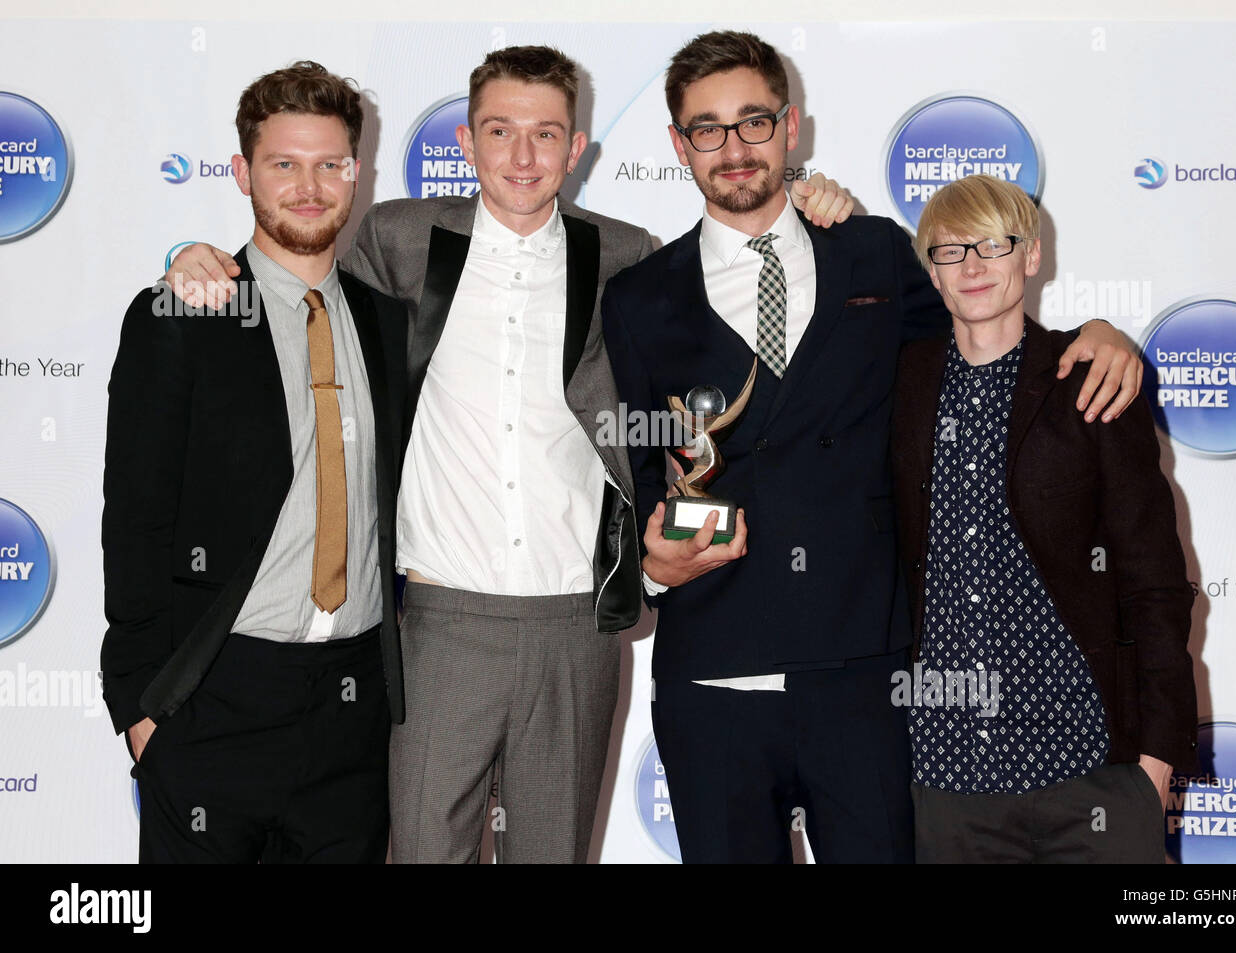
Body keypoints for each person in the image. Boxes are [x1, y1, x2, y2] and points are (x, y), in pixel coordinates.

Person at [163, 45, 855, 863]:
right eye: (500, 131)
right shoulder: (400, 238)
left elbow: (729, 298)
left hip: (577, 625)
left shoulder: (627, 255)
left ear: (577, 148)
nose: (523, 157)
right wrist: (199, 259)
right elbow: (298, 285)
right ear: (466, 142)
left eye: (545, 134)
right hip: (437, 623)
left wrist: (812, 207)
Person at [600, 30, 1145, 863]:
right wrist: (649, 569)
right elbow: (636, 478)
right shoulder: (639, 297)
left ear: (791, 126)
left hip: (866, 676)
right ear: (679, 144)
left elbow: (988, 342)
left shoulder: (878, 252)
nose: (735, 147)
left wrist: (1096, 336)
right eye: (707, 128)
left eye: (754, 122)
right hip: (714, 673)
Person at [101, 61, 408, 863]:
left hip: (354, 712)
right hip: (213, 701)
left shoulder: (389, 324)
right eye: (283, 164)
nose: (308, 187)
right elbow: (134, 519)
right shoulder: (181, 314)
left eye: (329, 163)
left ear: (356, 171)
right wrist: (140, 707)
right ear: (241, 173)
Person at [891, 174, 1197, 863]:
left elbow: (1155, 580)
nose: (971, 266)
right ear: (930, 271)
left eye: (991, 246)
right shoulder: (901, 382)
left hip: (1093, 769)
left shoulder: (1089, 378)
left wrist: (1155, 764)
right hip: (948, 780)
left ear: (1030, 255)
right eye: (949, 251)